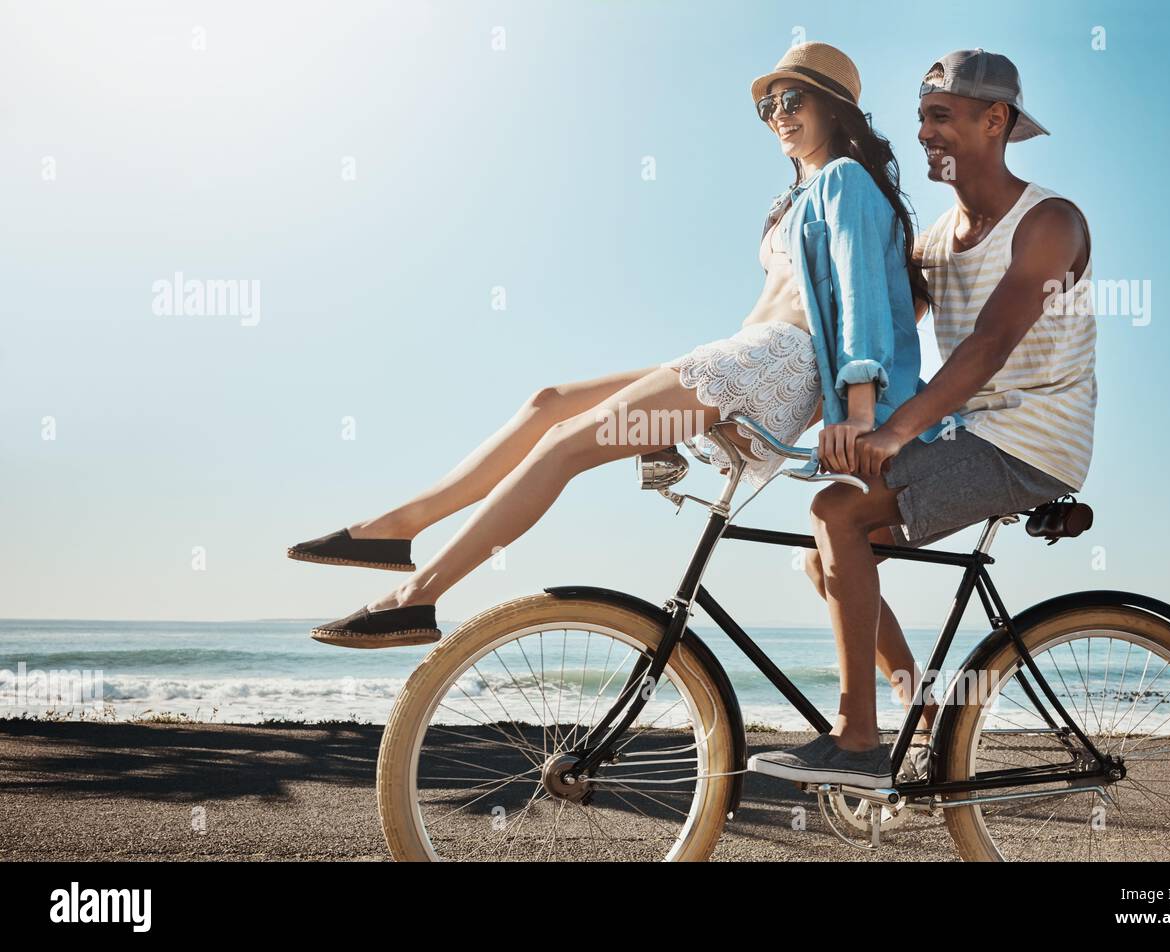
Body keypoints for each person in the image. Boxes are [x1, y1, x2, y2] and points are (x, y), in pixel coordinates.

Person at [288, 43, 946, 664]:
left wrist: (860, 413)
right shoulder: (791, 201)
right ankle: (396, 528)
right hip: (741, 357)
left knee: (568, 444)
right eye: (768, 104)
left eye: (793, 99)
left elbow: (862, 297)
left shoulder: (847, 181)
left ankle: (415, 598)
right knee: (550, 405)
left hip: (773, 366)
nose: (779, 115)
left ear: (834, 107)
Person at [749, 48, 1096, 789]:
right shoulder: (935, 243)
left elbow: (990, 343)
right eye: (920, 120)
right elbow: (868, 324)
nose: (925, 133)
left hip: (1029, 439)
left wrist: (893, 431)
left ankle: (859, 737)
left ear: (995, 120)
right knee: (829, 555)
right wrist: (766, 390)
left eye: (942, 117)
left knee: (835, 512)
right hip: (966, 430)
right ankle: (925, 715)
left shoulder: (1051, 221)